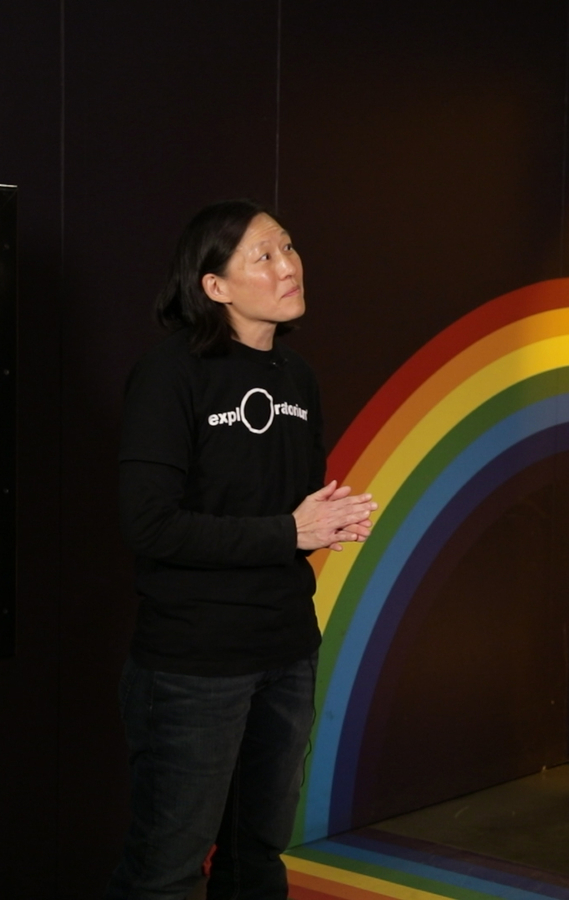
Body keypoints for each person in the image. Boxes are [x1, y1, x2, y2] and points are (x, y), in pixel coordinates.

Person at [107, 199, 377, 900]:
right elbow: (150, 524)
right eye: (264, 255)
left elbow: (283, 513)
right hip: (194, 664)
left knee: (256, 856)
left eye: (289, 246)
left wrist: (329, 523)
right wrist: (293, 531)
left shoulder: (298, 378)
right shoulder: (170, 375)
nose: (289, 265)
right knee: (168, 868)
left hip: (286, 651)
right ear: (214, 286)